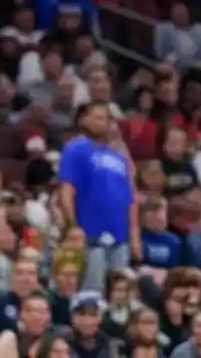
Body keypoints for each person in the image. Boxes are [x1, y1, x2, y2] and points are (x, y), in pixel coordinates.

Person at [57, 101, 135, 295]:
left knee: (119, 294)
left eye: (107, 119)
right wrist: (73, 226)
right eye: (97, 117)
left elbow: (130, 198)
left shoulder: (119, 158)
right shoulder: (76, 148)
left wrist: (134, 236)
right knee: (92, 292)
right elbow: (67, 189)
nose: (103, 123)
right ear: (85, 120)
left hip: (119, 238)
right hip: (90, 236)